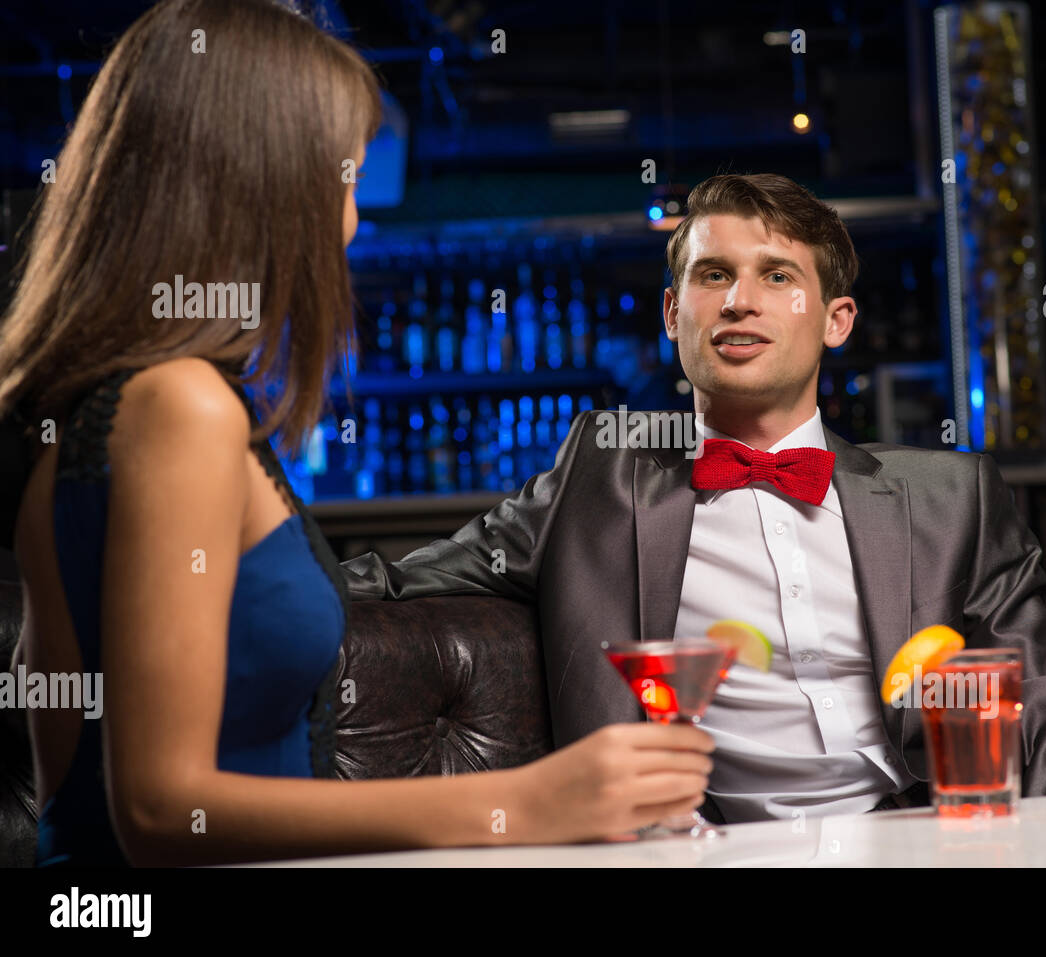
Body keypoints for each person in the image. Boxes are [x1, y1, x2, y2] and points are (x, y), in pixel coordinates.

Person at [0, 0, 713, 867]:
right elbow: (158, 809)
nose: (348, 221)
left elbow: (69, 788)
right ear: (257, 181)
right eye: (340, 179)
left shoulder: (90, 410)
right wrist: (524, 799)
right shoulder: (178, 408)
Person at [342, 173, 1046, 824]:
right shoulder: (601, 474)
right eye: (713, 275)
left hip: (927, 832)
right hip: (711, 847)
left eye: (777, 276)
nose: (739, 300)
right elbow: (400, 578)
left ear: (836, 320)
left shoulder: (950, 497)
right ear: (674, 312)